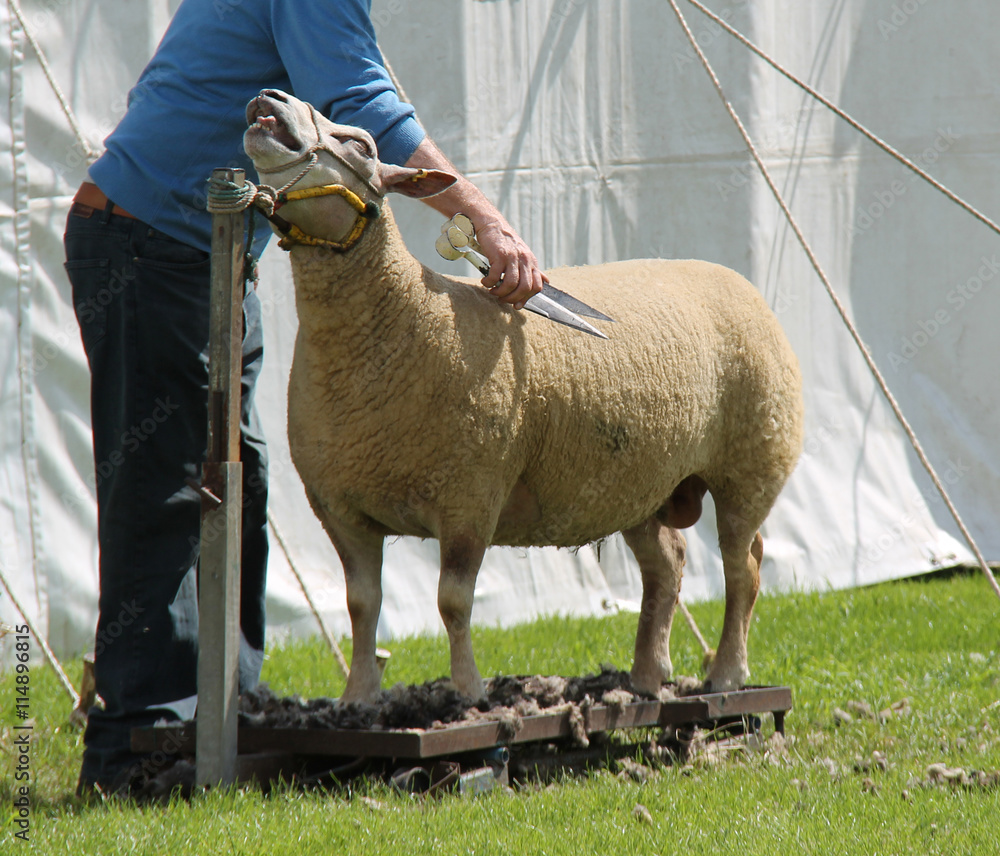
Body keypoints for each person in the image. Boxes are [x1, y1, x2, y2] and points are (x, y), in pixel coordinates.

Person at [64, 0, 544, 795]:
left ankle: (224, 715)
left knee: (234, 476)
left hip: (211, 247)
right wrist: (483, 220)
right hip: (151, 243)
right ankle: (136, 747)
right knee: (171, 480)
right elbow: (361, 105)